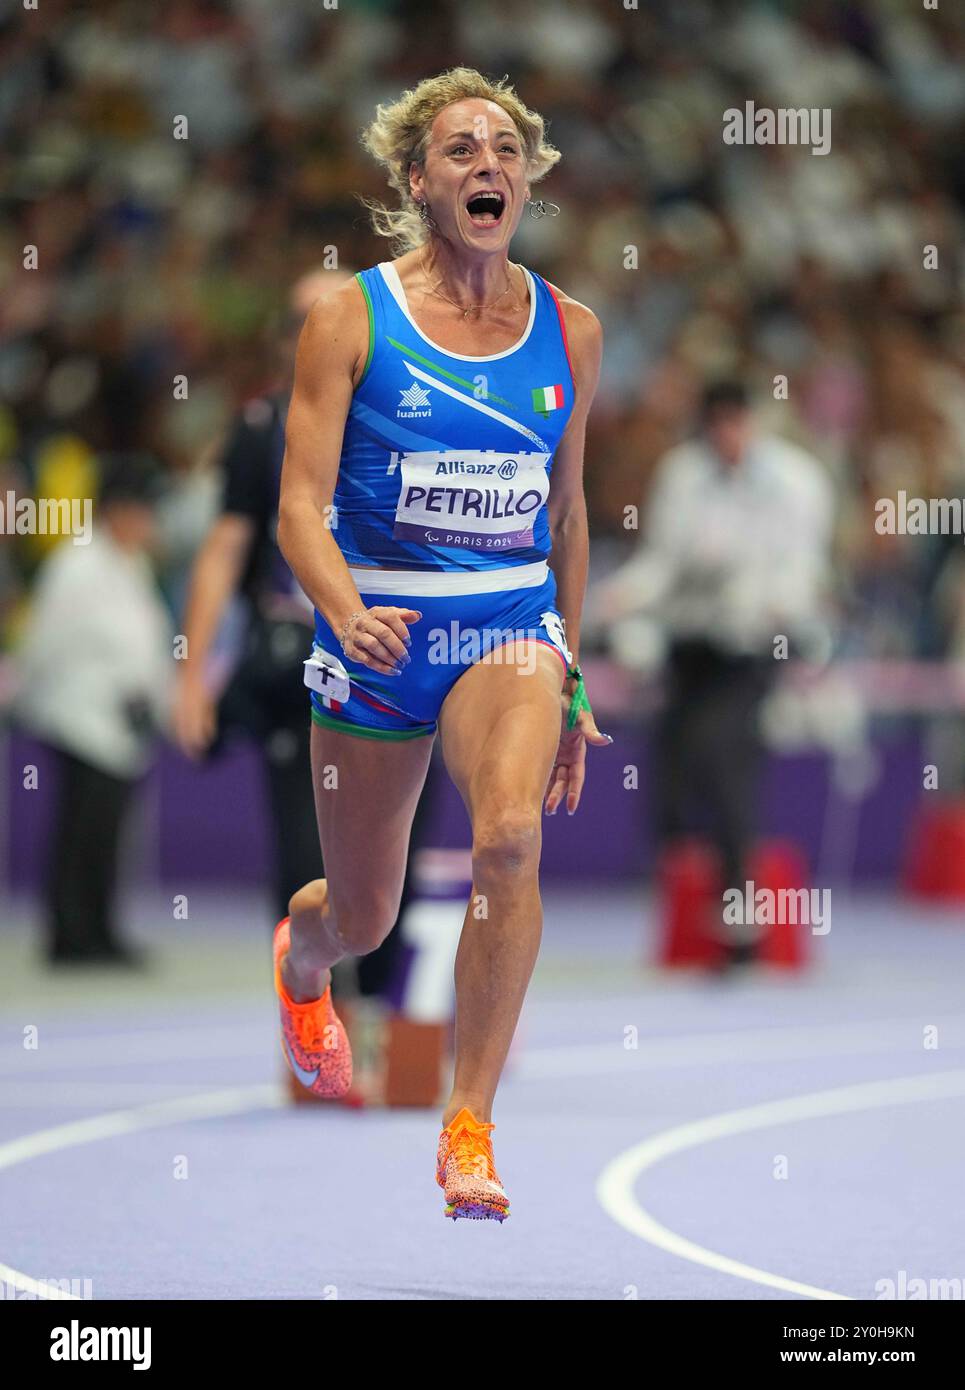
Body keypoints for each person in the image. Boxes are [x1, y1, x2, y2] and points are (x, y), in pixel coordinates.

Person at [273, 66, 609, 1221]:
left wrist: (568, 672)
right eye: (462, 150)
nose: (489, 167)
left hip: (504, 628)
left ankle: (466, 1123)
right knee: (361, 916)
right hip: (376, 638)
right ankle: (301, 962)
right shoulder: (347, 314)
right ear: (418, 179)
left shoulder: (569, 328)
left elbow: (566, 515)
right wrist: (340, 609)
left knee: (508, 837)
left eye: (506, 150)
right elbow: (295, 507)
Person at [603, 381, 835, 966]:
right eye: (718, 427)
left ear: (753, 422)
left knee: (727, 764)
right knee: (675, 777)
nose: (728, 438)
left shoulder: (797, 481)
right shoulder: (683, 475)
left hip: (751, 649)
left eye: (738, 424)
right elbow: (661, 564)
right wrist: (621, 596)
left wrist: (770, 604)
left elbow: (804, 572)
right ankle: (689, 902)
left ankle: (740, 922)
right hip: (690, 648)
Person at [14, 454, 172, 966]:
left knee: (106, 834)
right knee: (80, 831)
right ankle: (70, 934)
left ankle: (99, 930)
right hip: (79, 720)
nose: (149, 525)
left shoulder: (131, 563)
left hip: (120, 726)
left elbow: (142, 642)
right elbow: (43, 644)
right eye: (143, 513)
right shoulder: (76, 564)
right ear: (119, 511)